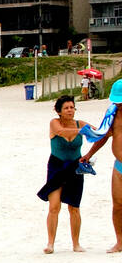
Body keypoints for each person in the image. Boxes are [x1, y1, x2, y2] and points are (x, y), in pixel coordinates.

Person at [37, 96, 88, 253]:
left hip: (75, 167)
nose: (70, 110)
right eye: (66, 108)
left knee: (74, 207)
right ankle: (50, 243)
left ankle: (76, 244)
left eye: (72, 107)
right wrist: (81, 131)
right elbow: (59, 131)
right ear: (59, 111)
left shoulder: (81, 124)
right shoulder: (54, 123)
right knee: (54, 206)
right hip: (56, 166)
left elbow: (98, 132)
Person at [78, 78, 122, 253]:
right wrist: (89, 155)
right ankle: (120, 242)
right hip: (119, 166)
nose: (119, 105)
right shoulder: (111, 113)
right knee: (118, 206)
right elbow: (104, 135)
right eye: (117, 102)